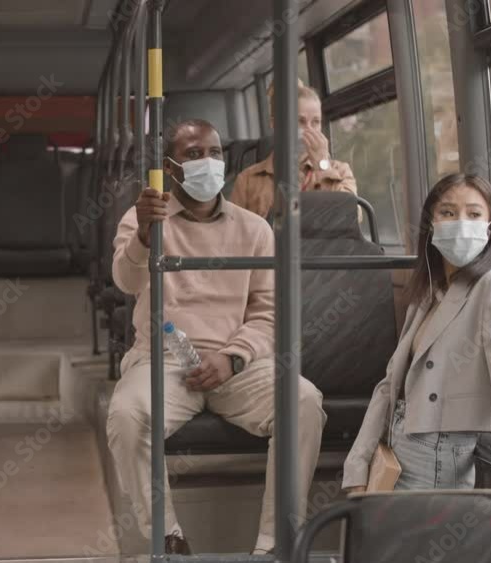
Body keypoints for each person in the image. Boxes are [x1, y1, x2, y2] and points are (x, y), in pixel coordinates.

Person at [106, 119, 326, 556]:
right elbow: (126, 281)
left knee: (303, 401)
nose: (207, 163)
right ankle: (167, 537)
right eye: (193, 155)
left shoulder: (254, 229)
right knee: (127, 416)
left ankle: (276, 542)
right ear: (170, 167)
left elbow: (268, 313)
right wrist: (145, 237)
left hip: (236, 364)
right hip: (165, 361)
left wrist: (234, 357)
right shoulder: (144, 219)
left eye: (214, 153)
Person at [342, 173, 491, 493]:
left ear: (490, 227)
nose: (461, 223)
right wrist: (357, 467)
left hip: (438, 454)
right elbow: (389, 385)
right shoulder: (428, 293)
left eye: (474, 214)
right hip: (396, 448)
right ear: (432, 223)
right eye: (448, 212)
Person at [229, 78, 357, 218]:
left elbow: (351, 216)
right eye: (300, 121)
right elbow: (234, 228)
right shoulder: (247, 180)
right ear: (275, 124)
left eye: (316, 122)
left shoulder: (341, 171)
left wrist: (323, 166)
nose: (309, 130)